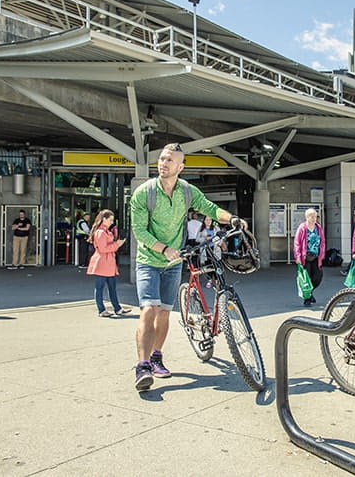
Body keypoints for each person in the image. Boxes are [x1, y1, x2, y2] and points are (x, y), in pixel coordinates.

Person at [130, 143, 242, 391]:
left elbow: (209, 208)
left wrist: (232, 218)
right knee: (149, 309)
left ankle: (157, 356)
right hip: (149, 260)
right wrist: (163, 248)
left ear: (180, 167)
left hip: (174, 262)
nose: (164, 163)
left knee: (165, 312)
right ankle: (142, 366)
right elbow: (139, 230)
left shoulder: (186, 192)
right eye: (161, 159)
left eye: (170, 160)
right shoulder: (144, 193)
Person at [86, 209, 131, 317]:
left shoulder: (104, 231)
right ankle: (102, 310)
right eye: (110, 219)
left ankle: (117, 308)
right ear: (104, 219)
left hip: (107, 262)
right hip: (103, 262)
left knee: (110, 287)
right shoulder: (101, 232)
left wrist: (116, 244)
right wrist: (117, 244)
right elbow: (103, 249)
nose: (112, 222)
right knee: (101, 287)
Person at [295, 207, 325, 307]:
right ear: (307, 217)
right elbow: (297, 243)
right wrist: (298, 257)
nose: (314, 218)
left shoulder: (318, 228)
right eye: (312, 216)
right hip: (305, 257)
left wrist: (322, 254)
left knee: (318, 277)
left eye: (315, 216)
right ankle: (307, 299)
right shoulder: (302, 228)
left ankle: (310, 292)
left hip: (316, 256)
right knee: (306, 278)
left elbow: (322, 242)